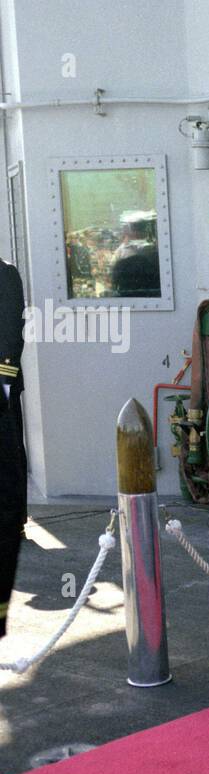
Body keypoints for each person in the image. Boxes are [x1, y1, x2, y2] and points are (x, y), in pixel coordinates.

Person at [0, 257, 28, 640]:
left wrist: (4, 386)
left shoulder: (5, 275)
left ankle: (16, 519)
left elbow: (9, 335)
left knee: (9, 458)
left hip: (1, 390)